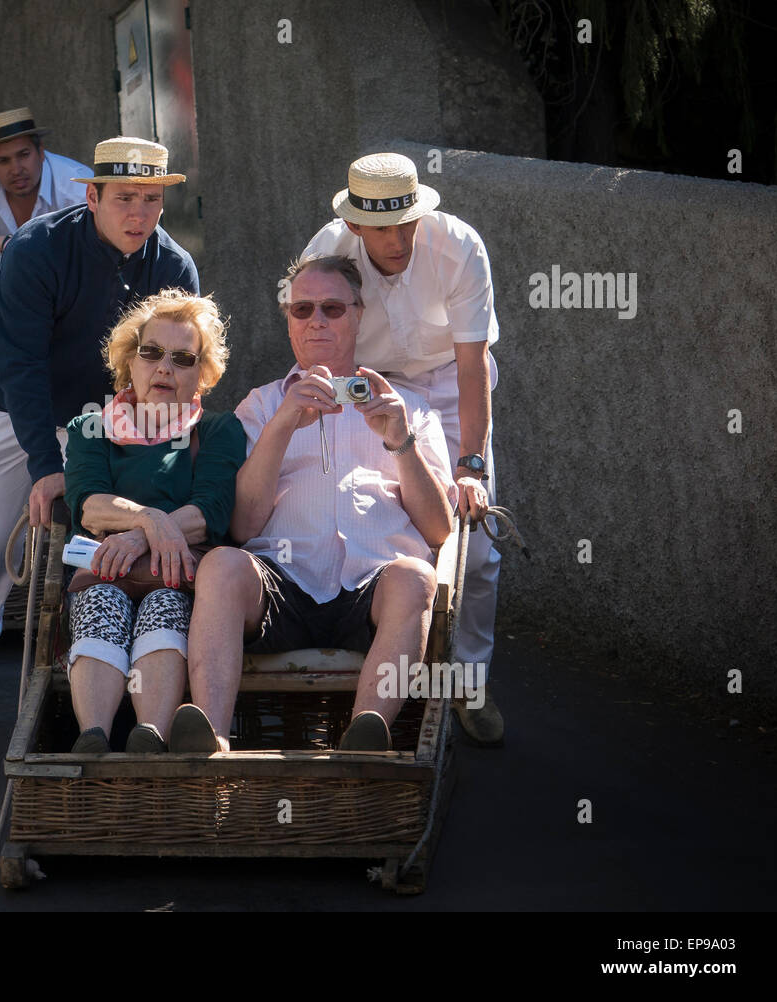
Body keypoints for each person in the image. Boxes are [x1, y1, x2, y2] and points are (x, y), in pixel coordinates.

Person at [0, 136, 199, 713]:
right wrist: (45, 465)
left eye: (152, 199)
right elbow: (22, 366)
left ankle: (71, 669)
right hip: (3, 403)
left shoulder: (175, 266)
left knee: (89, 545)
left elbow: (176, 370)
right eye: (124, 198)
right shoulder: (35, 249)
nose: (139, 214)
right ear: (91, 195)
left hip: (100, 415)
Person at [172, 256, 457, 754]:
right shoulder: (261, 405)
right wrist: (283, 423)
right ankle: (210, 740)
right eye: (302, 309)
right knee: (219, 565)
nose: (317, 320)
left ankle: (365, 737)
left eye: (332, 307)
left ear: (358, 314)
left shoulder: (408, 406)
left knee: (416, 576)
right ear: (289, 321)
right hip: (282, 581)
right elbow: (242, 525)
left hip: (376, 583)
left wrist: (401, 442)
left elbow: (439, 531)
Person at [300, 152, 505, 745]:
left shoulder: (461, 245)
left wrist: (471, 467)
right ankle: (360, 671)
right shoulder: (327, 248)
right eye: (381, 228)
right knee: (364, 515)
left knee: (476, 540)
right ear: (355, 227)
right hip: (368, 384)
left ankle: (468, 681)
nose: (396, 239)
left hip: (446, 385)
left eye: (406, 222)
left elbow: (472, 366)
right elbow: (315, 330)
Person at [63, 290, 245, 753]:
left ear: (201, 375)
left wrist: (142, 536)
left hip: (175, 574)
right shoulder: (91, 428)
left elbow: (210, 513)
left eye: (183, 358)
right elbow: (88, 505)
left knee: (165, 607)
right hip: (105, 568)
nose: (164, 367)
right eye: (151, 352)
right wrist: (151, 521)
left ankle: (151, 737)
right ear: (130, 360)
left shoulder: (219, 430)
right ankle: (94, 738)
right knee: (102, 603)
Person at [0, 107, 91, 284]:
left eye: (23, 155)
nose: (16, 169)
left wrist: (5, 243)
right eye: (3, 161)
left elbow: (91, 258)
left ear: (41, 152)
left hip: (71, 292)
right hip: (2, 301)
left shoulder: (77, 187)